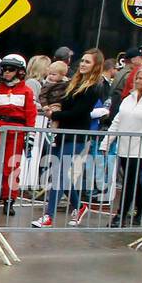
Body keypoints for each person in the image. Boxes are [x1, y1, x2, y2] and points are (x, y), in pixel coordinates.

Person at [34, 48, 109, 227]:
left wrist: (55, 115)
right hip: (62, 132)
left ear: (96, 66)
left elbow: (79, 112)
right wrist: (52, 109)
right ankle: (79, 205)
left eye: (87, 62)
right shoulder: (73, 82)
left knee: (59, 174)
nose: (83, 64)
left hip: (76, 134)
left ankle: (48, 215)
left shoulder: (94, 87)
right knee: (63, 175)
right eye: (82, 61)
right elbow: (63, 103)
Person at [0, 53, 37, 216]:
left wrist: (29, 136)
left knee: (12, 168)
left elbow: (31, 115)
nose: (6, 72)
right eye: (4, 69)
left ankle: (9, 200)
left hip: (17, 131)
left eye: (10, 69)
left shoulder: (27, 91)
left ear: (20, 72)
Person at [103, 65, 142, 226]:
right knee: (134, 181)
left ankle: (120, 216)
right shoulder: (128, 99)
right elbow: (117, 121)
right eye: (136, 78)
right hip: (124, 146)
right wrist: (106, 142)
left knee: (130, 181)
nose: (137, 80)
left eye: (141, 78)